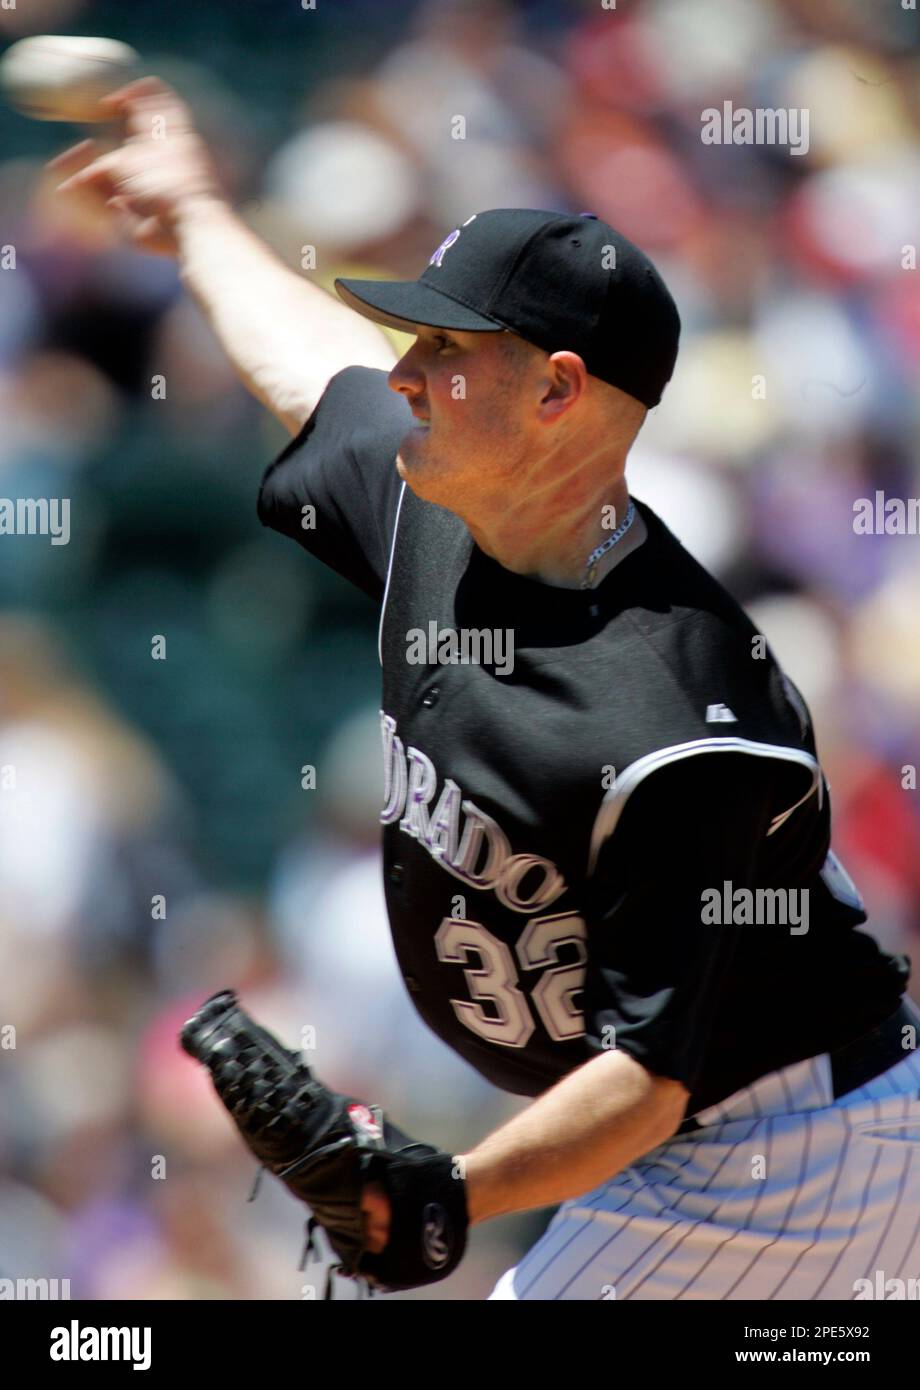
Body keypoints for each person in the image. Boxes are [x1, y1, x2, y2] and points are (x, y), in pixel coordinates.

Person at [52, 79, 920, 1301]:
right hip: (686, 1143)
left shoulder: (685, 721)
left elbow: (649, 1079)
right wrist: (194, 214)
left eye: (446, 351)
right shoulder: (442, 505)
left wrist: (443, 1192)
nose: (407, 373)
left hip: (787, 1154)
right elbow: (315, 369)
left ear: (557, 393)